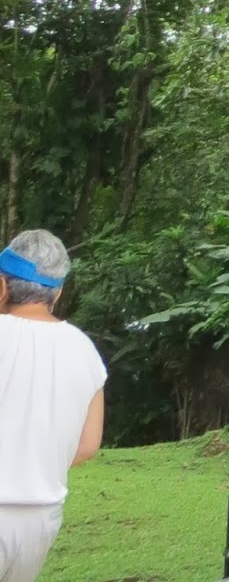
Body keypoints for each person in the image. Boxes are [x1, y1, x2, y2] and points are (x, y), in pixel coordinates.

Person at [0, 230, 105, 582]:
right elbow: (87, 446)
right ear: (57, 293)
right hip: (41, 518)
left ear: (2, 288)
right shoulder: (84, 350)